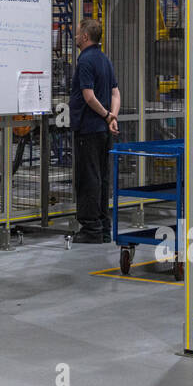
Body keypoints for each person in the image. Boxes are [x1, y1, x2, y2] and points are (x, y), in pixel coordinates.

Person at [70, 17, 120, 243]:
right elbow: (115, 92)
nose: (75, 36)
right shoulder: (105, 60)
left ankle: (91, 229)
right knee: (102, 177)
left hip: (88, 129)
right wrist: (112, 116)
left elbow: (88, 96)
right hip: (103, 130)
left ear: (85, 37)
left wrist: (106, 115)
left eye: (77, 33)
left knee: (88, 178)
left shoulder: (86, 61)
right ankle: (103, 227)